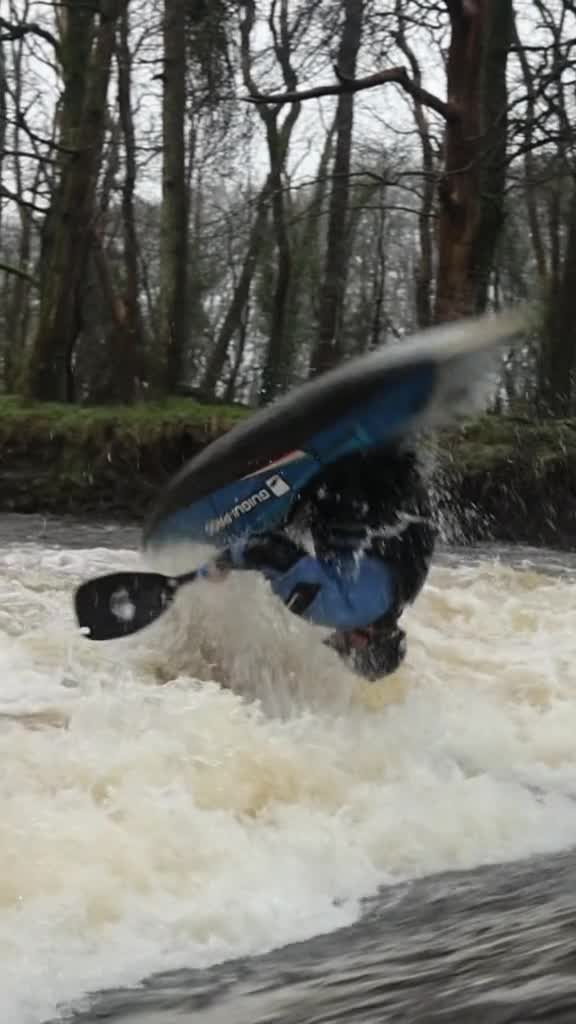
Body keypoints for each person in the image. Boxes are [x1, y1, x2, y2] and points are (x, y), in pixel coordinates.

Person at [212, 441, 437, 681]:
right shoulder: (342, 611)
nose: (336, 635)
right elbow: (268, 550)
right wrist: (219, 563)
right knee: (280, 524)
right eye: (342, 645)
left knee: (305, 526)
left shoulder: (405, 590)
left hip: (395, 468)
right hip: (346, 475)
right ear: (361, 640)